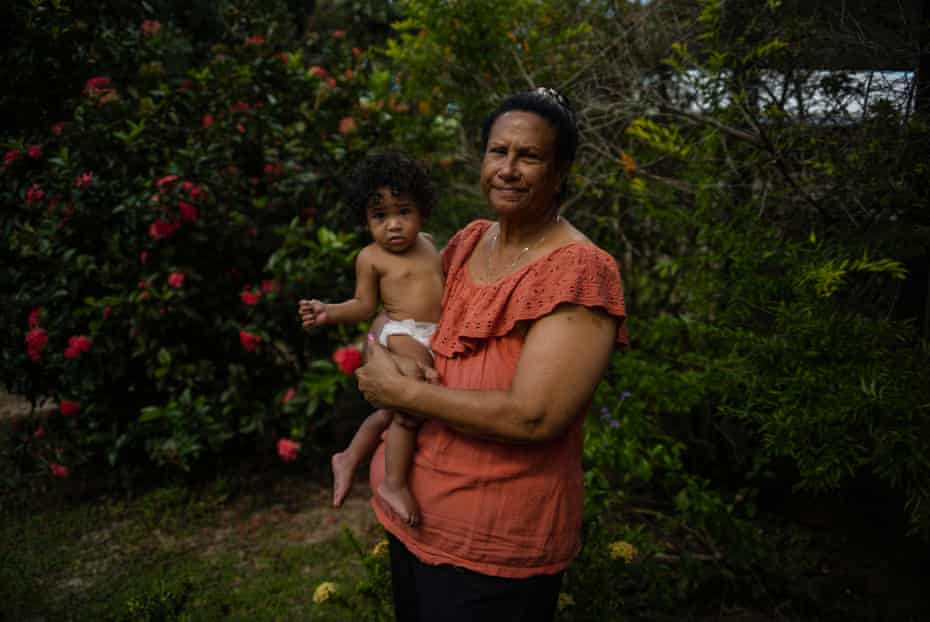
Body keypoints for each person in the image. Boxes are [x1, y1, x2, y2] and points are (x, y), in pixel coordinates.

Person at [355, 88, 629, 622]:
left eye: (528, 156)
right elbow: (393, 319)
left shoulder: (579, 270)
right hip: (413, 514)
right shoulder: (467, 243)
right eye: (497, 152)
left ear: (561, 170)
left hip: (496, 542)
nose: (508, 168)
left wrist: (401, 390)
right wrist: (382, 352)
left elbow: (534, 417)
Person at [298, 152, 443, 526]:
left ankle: (348, 456)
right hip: (402, 331)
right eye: (380, 216)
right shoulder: (371, 258)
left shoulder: (428, 244)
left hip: (433, 334)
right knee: (411, 402)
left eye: (403, 212)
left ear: (422, 212)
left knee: (389, 413)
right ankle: (394, 483)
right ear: (366, 220)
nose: (393, 225)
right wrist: (328, 311)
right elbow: (364, 306)